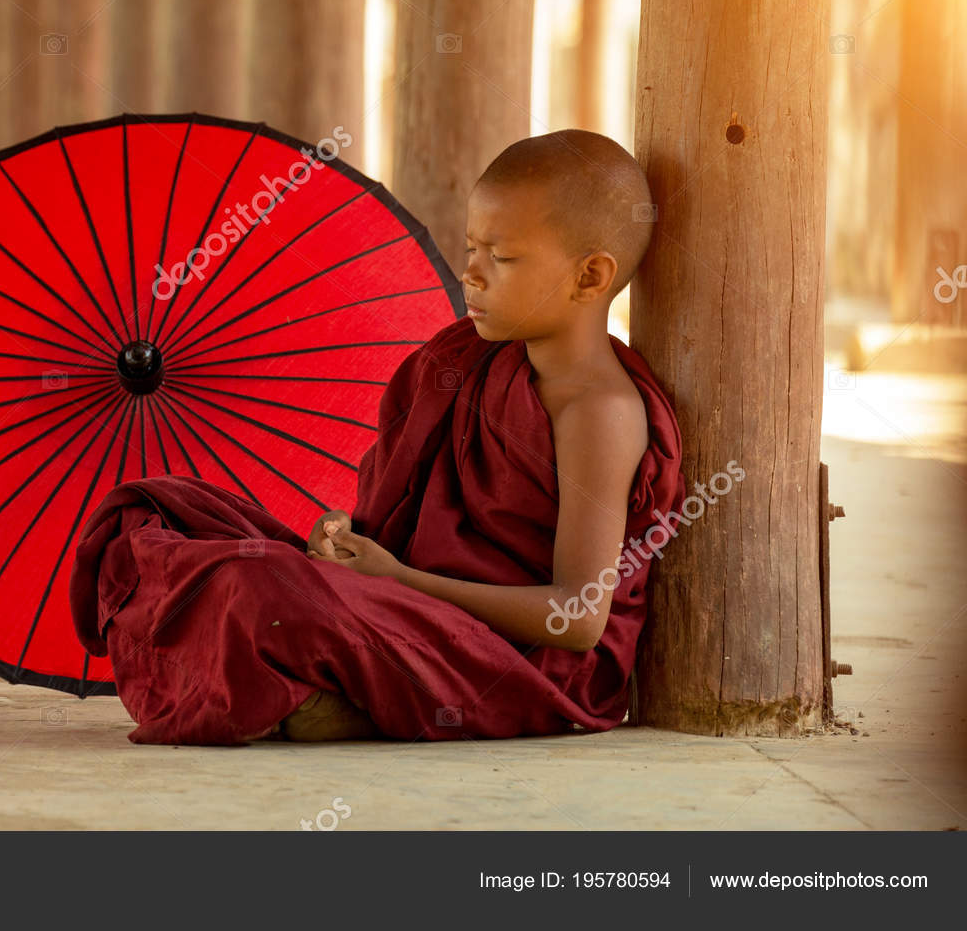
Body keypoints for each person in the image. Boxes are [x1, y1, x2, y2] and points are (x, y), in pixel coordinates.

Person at [69, 129, 685, 745]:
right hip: (408, 608)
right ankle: (324, 689)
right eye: (471, 247)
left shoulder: (599, 412)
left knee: (255, 589)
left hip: (513, 663)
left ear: (589, 276)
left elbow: (577, 618)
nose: (470, 274)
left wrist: (397, 580)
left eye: (501, 257)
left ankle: (330, 692)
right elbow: (398, 518)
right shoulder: (464, 360)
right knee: (150, 511)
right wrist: (346, 540)